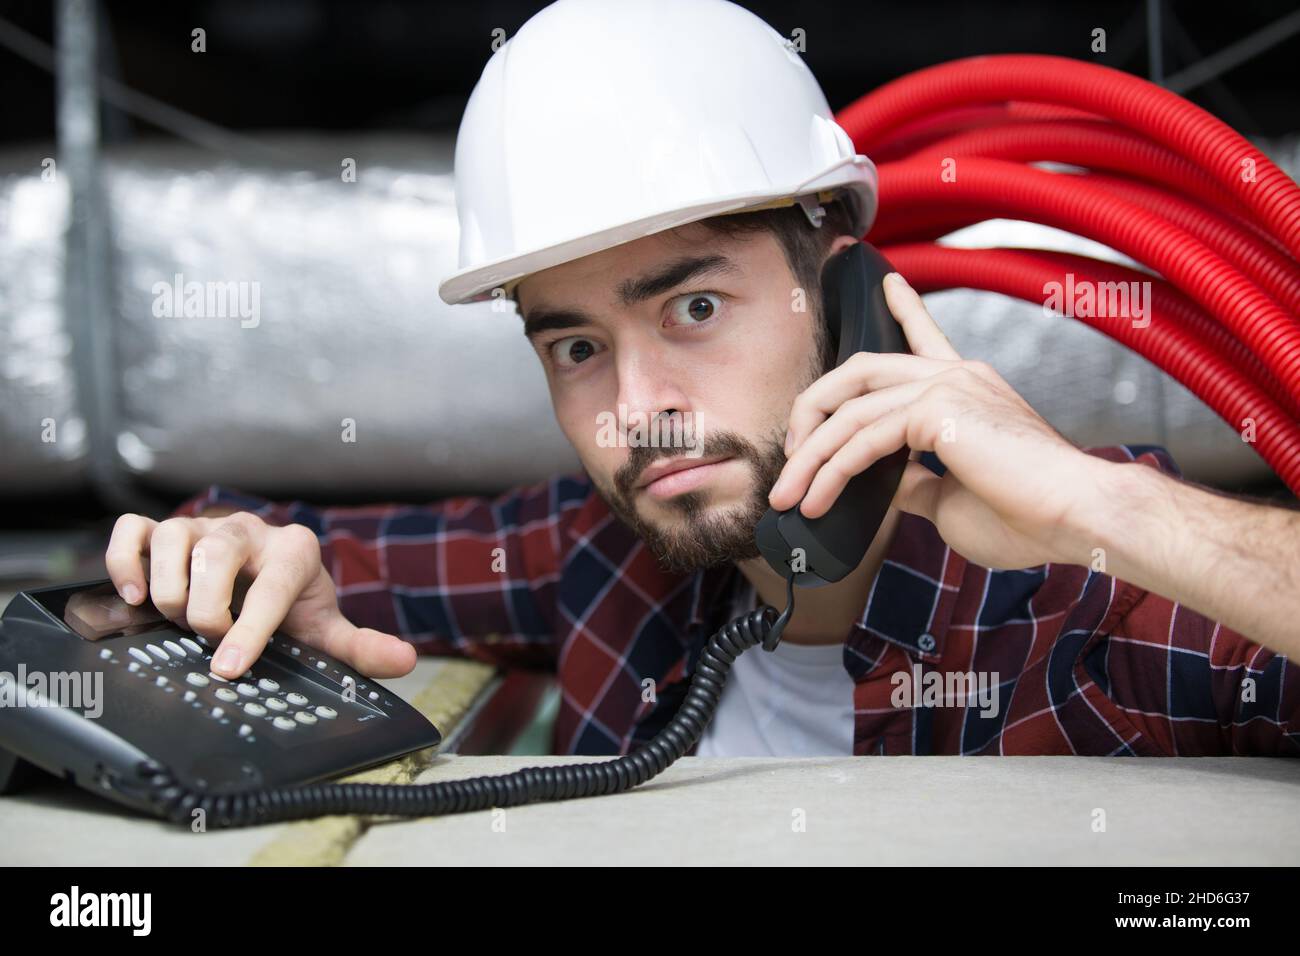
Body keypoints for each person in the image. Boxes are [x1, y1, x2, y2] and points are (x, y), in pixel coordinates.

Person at [104, 0, 1298, 757]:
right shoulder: (604, 554)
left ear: (846, 292)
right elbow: (256, 558)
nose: (636, 405)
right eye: (574, 345)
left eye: (693, 306)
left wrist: (1116, 512)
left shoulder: (1099, 593)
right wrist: (232, 554)